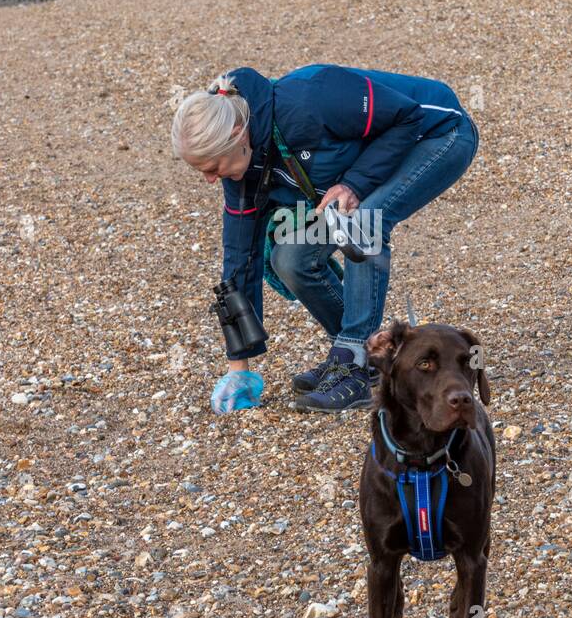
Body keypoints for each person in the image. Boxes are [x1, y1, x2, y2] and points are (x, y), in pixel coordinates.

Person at [171, 65, 479, 414]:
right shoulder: (242, 171)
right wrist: (238, 367)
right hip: (380, 158)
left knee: (363, 220)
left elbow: (407, 116)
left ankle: (352, 362)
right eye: (203, 172)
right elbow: (239, 261)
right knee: (290, 259)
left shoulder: (311, 98)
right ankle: (359, 357)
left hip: (440, 134)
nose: (211, 180)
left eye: (212, 167)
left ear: (238, 133)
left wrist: (354, 184)